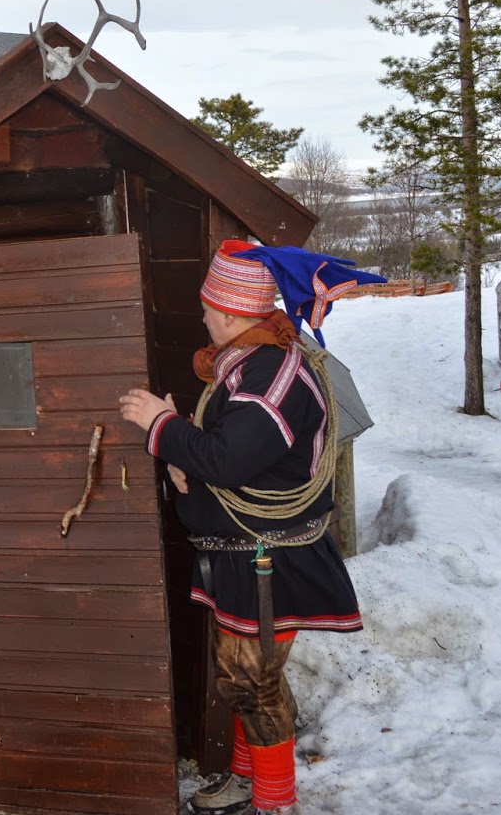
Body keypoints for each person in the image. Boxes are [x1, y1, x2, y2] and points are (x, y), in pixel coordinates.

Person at [118, 240, 380, 815]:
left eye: (209, 308)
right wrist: (191, 458)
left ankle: (274, 801)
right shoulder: (253, 364)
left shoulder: (269, 377)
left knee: (250, 683)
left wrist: (162, 425)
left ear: (234, 312)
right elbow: (234, 452)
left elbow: (231, 460)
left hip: (270, 558)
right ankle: (246, 780)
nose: (204, 316)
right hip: (246, 552)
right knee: (243, 678)